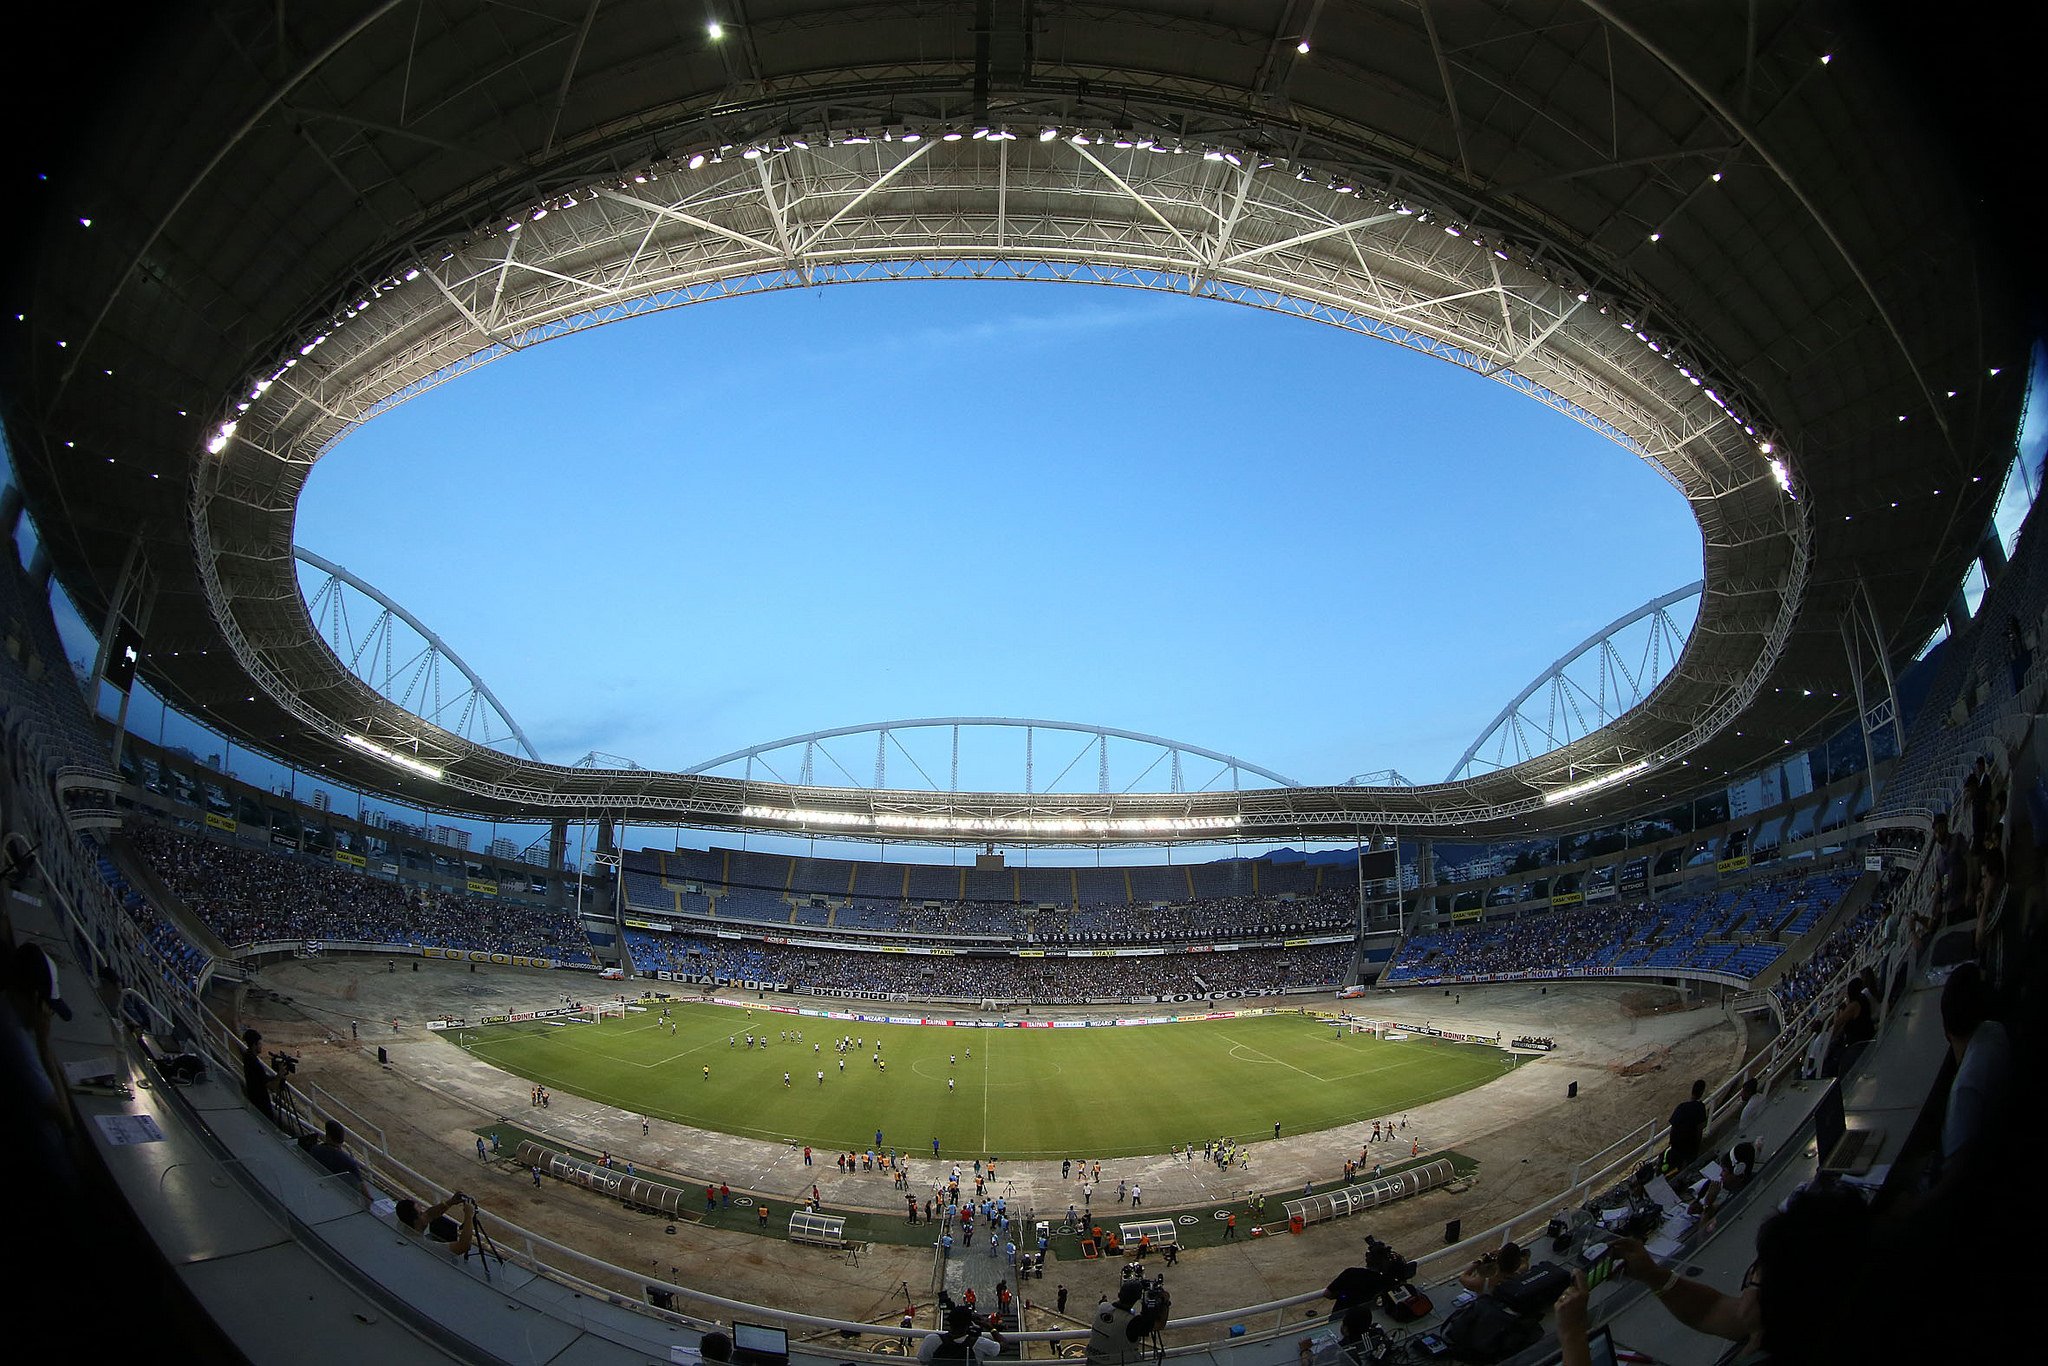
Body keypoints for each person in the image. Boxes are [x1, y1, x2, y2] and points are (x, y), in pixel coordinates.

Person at [1086, 1276, 1169, 1365]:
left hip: (1091, 1361)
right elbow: (1160, 1325)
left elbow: (1106, 1304)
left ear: (1119, 1294)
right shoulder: (1133, 1322)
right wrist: (1165, 1302)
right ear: (1137, 1299)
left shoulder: (1102, 1307)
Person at [305, 1119, 370, 1201]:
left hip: (320, 1191)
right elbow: (364, 1190)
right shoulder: (349, 1161)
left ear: (328, 1136)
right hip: (343, 1197)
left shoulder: (315, 1149)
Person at [395, 1192, 477, 1256]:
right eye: (421, 1213)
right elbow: (463, 1246)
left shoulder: (404, 1223)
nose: (425, 1212)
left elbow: (429, 1214)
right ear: (416, 1220)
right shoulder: (426, 1247)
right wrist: (469, 1215)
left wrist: (450, 1202)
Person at [1667, 1078, 1709, 1169]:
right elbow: (1699, 1129)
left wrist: (1671, 1141)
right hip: (1690, 1145)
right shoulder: (1700, 1108)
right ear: (1702, 1092)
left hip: (1677, 1145)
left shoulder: (1681, 1107)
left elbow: (1673, 1126)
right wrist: (1698, 1144)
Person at [1458, 1241, 1526, 1295]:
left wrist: (1479, 1261)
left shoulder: (1483, 1283)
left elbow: (1462, 1277)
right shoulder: (1522, 1272)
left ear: (1497, 1261)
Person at [241, 1028, 277, 1124]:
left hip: (256, 1101)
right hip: (261, 1104)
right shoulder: (254, 1063)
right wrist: (280, 1075)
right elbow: (272, 1087)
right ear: (254, 1045)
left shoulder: (248, 1058)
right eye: (259, 1044)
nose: (261, 1046)